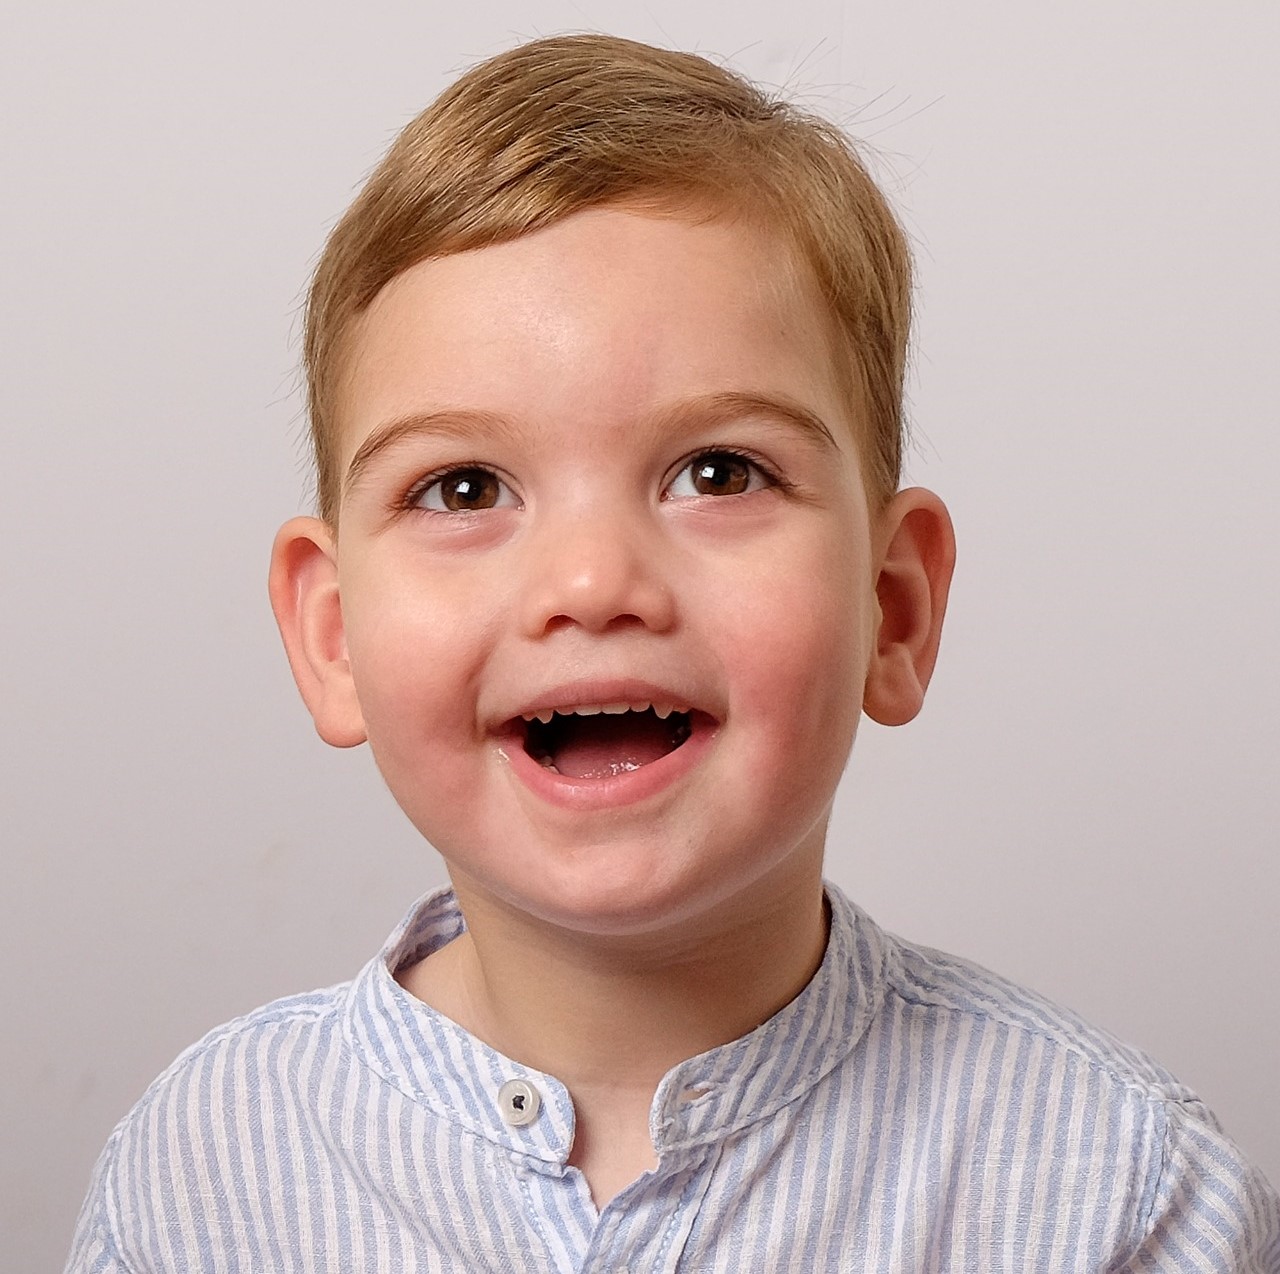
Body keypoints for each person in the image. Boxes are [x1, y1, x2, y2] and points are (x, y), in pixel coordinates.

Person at [67, 33, 1279, 1273]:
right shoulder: (201, 1178)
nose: (591, 581)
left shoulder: (1115, 1190)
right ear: (331, 634)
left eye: (717, 472)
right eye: (464, 486)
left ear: (892, 606)